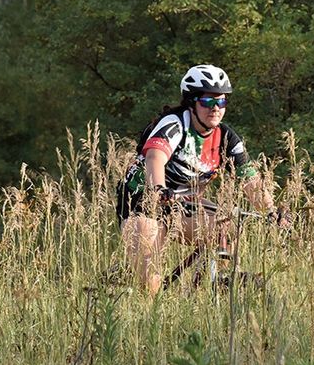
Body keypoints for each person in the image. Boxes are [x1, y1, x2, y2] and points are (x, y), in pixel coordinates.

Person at [115, 64, 277, 293]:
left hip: (184, 204)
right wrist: (159, 189)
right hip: (142, 202)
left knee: (227, 226)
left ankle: (201, 288)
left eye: (221, 102)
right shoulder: (175, 123)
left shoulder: (226, 136)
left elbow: (249, 177)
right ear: (191, 102)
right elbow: (155, 158)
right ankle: (140, 288)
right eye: (208, 102)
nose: (216, 109)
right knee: (149, 283)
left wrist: (271, 211)